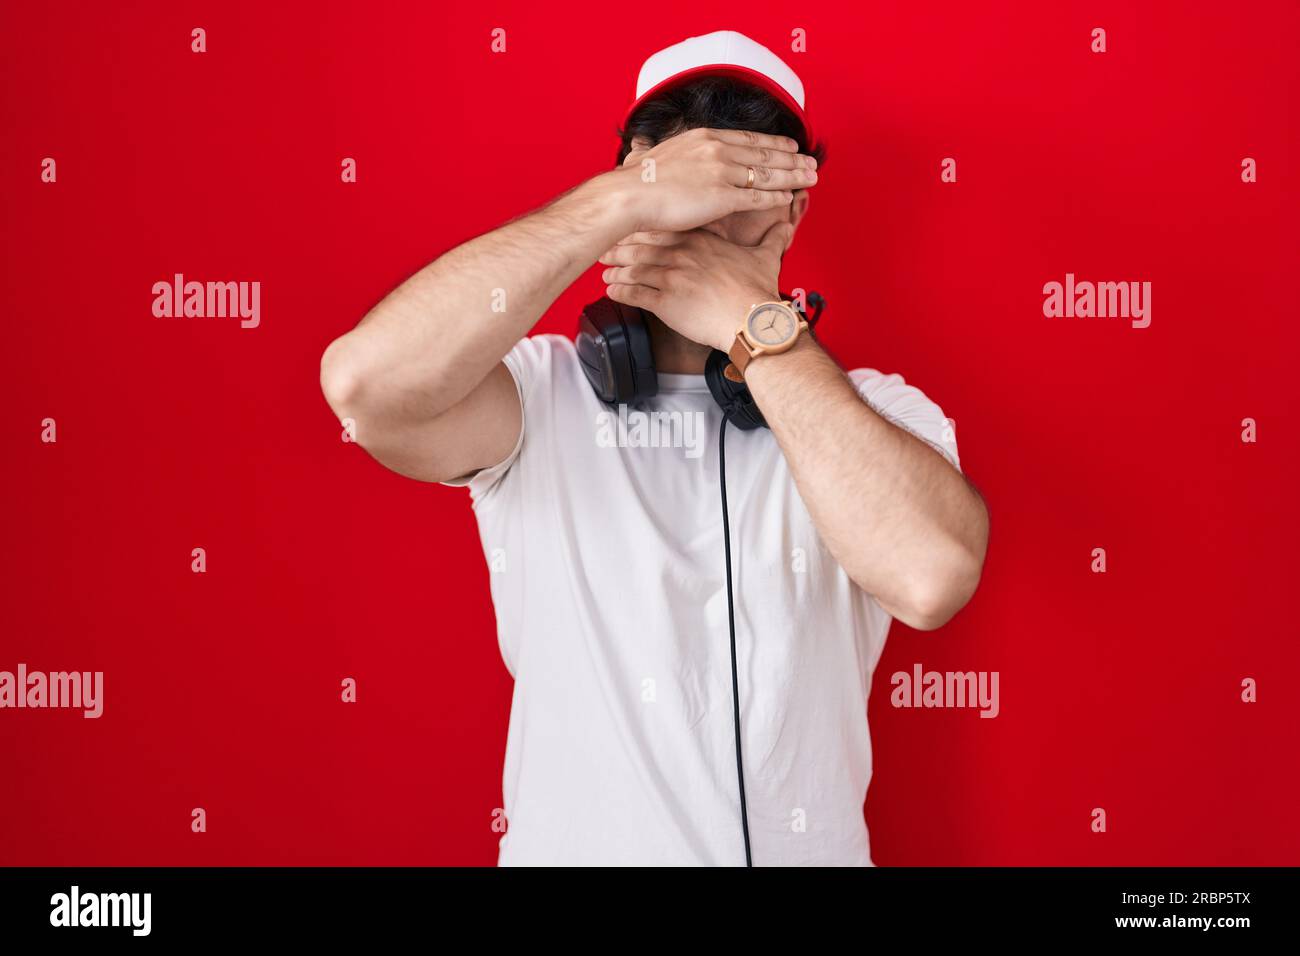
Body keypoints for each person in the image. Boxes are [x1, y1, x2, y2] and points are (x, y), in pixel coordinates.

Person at [320, 31, 989, 866]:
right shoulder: (534, 397)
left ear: (795, 206)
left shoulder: (873, 412)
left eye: (748, 174)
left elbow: (931, 578)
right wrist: (612, 203)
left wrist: (755, 328)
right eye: (687, 173)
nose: (707, 209)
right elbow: (363, 388)